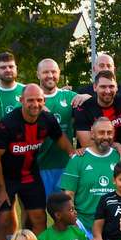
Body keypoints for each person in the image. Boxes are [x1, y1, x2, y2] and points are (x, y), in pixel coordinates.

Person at [0, 84, 73, 240]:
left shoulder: (47, 119)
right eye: (30, 100)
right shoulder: (7, 124)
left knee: (39, 218)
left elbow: (60, 138)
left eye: (39, 100)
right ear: (21, 101)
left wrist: (74, 155)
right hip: (6, 178)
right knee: (2, 220)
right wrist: (0, 189)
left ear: (43, 101)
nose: (35, 104)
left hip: (30, 175)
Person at [60, 117, 121, 235]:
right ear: (92, 134)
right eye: (101, 132)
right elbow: (68, 195)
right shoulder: (77, 160)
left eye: (109, 132)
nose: (106, 136)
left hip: (117, 226)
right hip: (84, 226)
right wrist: (74, 224)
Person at [36, 59, 77, 195]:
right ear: (38, 74)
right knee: (37, 212)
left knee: (65, 211)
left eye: (53, 71)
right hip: (39, 165)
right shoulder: (31, 100)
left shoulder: (70, 97)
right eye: (45, 72)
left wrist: (84, 96)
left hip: (65, 165)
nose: (50, 75)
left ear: (59, 73)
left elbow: (93, 102)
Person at [73, 70, 121, 152]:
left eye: (111, 86)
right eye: (103, 87)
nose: (108, 91)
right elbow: (86, 143)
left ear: (116, 87)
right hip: (94, 158)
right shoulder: (84, 107)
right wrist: (116, 145)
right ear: (95, 87)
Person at [0, 52, 25, 116]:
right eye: (3, 67)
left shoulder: (26, 90)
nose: (8, 70)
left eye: (11, 67)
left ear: (16, 68)